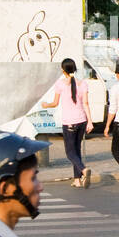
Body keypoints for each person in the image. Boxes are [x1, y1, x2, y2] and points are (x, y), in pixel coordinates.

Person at [40, 58, 93, 188]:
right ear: (75, 69)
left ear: (63, 70)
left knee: (70, 152)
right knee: (76, 150)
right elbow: (86, 103)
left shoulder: (60, 84)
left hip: (69, 122)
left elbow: (55, 103)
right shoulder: (83, 83)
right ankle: (77, 180)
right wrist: (90, 122)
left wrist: (46, 105)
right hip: (82, 120)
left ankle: (83, 169)